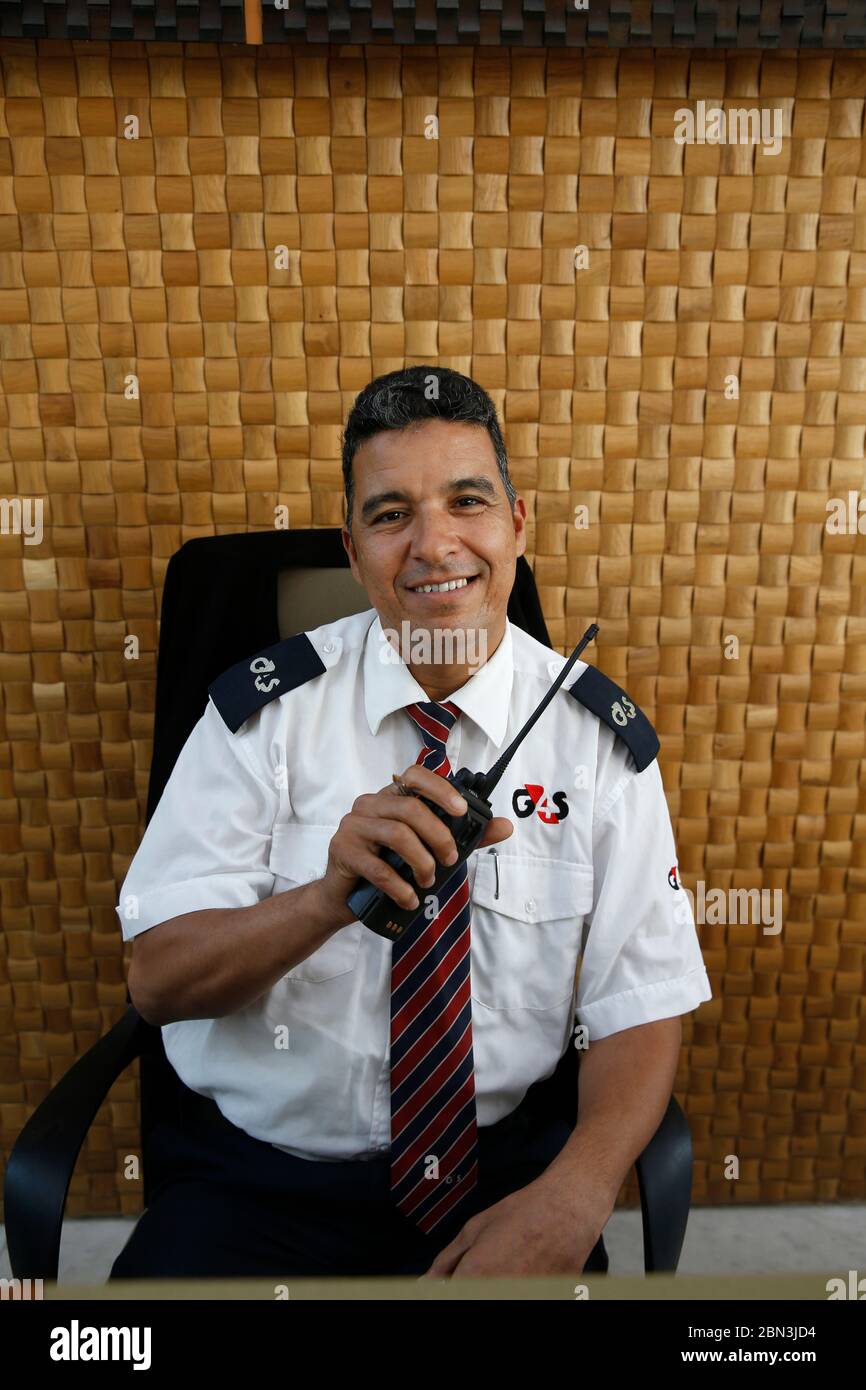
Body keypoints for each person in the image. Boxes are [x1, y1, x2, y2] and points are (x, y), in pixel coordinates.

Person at [110, 366, 712, 1282]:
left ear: (518, 522)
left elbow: (642, 1002)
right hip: (261, 1185)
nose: (435, 545)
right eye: (392, 515)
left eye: (466, 501)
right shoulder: (257, 718)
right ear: (353, 552)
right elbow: (157, 983)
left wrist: (577, 1191)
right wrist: (323, 899)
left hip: (502, 1175)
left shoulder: (597, 740)